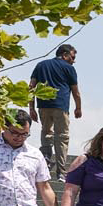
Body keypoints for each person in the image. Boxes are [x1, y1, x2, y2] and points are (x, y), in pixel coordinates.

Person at [28, 44, 82, 177]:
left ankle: (46, 159)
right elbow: (76, 92)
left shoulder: (41, 65)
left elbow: (31, 87)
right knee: (62, 137)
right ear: (64, 55)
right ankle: (61, 172)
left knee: (46, 132)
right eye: (72, 57)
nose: (73, 61)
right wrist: (78, 108)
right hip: (61, 105)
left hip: (43, 105)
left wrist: (31, 108)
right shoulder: (69, 68)